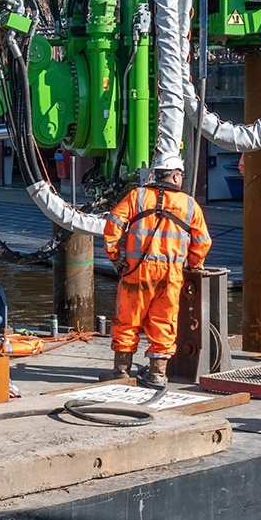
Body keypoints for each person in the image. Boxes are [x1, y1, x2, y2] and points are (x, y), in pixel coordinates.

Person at [103, 153, 212, 385]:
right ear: (174, 176)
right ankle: (157, 374)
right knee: (164, 321)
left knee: (127, 319)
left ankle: (121, 372)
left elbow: (113, 224)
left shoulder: (137, 196)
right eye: (180, 175)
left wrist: (115, 257)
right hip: (170, 275)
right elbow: (202, 241)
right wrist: (194, 264)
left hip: (136, 271)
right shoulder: (189, 204)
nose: (181, 178)